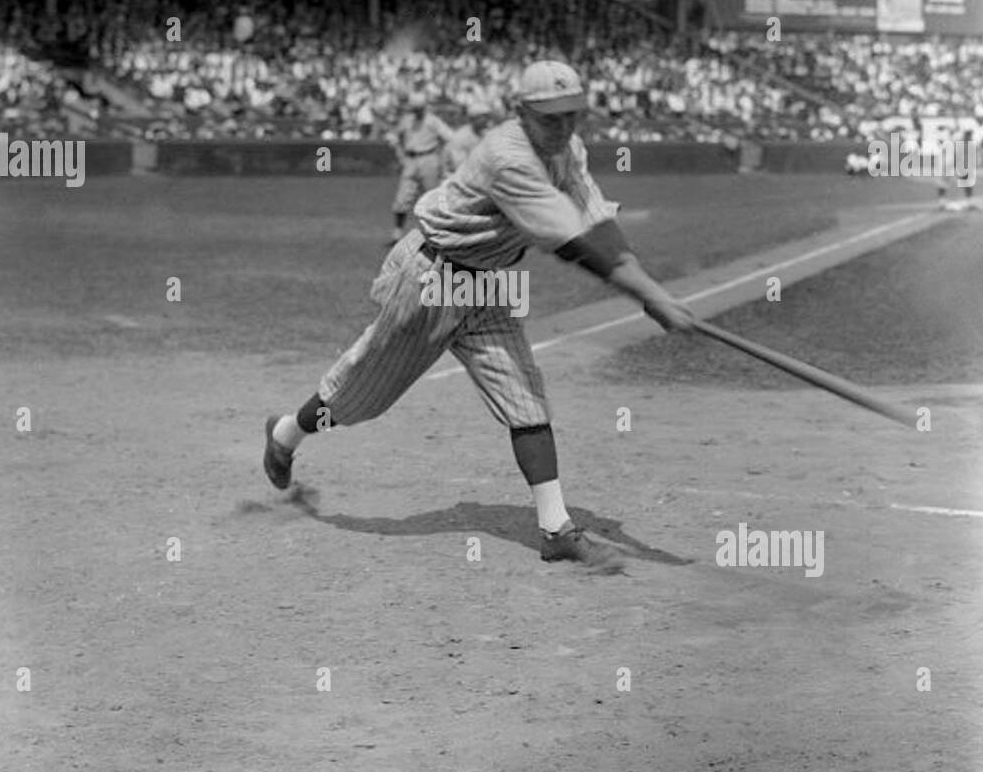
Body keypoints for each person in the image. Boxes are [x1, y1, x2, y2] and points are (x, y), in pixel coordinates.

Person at [263, 59, 696, 571]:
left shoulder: (569, 150)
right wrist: (647, 293)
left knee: (525, 398)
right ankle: (285, 434)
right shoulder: (507, 157)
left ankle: (556, 530)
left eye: (571, 115)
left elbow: (595, 220)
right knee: (359, 398)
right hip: (433, 277)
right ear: (521, 112)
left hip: (493, 283)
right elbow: (572, 242)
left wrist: (648, 291)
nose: (562, 128)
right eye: (549, 117)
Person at [386, 94, 454, 242]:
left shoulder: (433, 121)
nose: (416, 111)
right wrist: (400, 154)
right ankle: (397, 233)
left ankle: (436, 231)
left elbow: (450, 138)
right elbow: (393, 137)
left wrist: (442, 159)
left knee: (432, 197)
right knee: (402, 197)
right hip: (410, 159)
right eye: (414, 109)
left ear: (424, 107)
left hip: (428, 158)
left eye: (419, 109)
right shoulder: (407, 120)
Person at [443, 99, 492, 172]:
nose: (487, 120)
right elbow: (461, 167)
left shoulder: (485, 133)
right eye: (484, 117)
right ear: (474, 119)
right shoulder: (460, 138)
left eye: (487, 117)